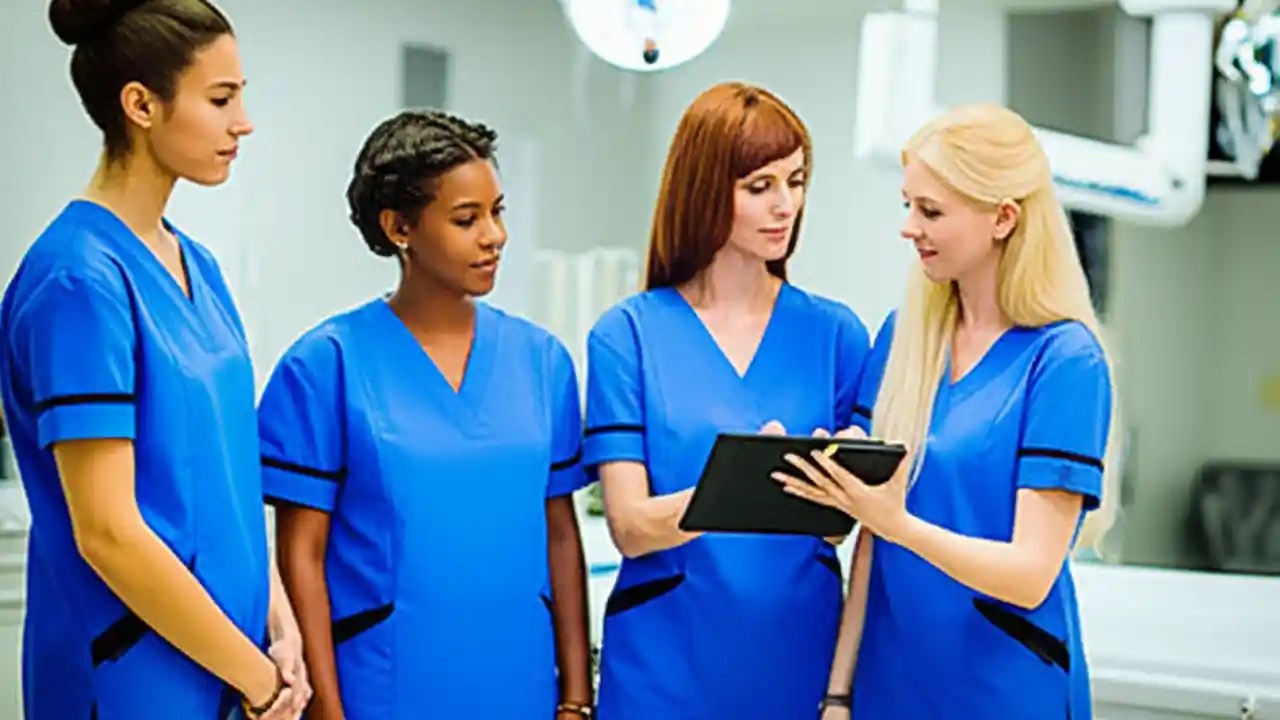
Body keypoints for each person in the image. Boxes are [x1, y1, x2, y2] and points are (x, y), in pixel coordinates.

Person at [0, 2, 310, 719]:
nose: (245, 122)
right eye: (221, 98)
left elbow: (230, 474)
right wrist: (260, 682)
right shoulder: (77, 281)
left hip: (230, 664)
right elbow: (108, 533)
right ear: (140, 104)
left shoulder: (193, 263)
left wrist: (279, 625)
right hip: (135, 670)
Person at [775, 102, 1119, 720]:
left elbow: (1030, 574)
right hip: (893, 683)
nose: (909, 227)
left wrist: (896, 520)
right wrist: (838, 693)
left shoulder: (1064, 361)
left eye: (930, 211)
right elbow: (868, 542)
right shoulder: (904, 339)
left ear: (1003, 218)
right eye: (908, 205)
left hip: (1004, 688)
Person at [258, 109, 594, 720]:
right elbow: (301, 559)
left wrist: (575, 697)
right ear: (398, 228)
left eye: (498, 212)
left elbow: (560, 533)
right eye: (467, 219)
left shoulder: (542, 362)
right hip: (384, 688)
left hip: (519, 684)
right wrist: (326, 713)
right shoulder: (326, 366)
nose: (494, 235)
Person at [583, 81, 872, 719]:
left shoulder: (837, 335)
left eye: (796, 182)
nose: (785, 206)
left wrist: (841, 484)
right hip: (665, 663)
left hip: (798, 656)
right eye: (759, 186)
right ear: (708, 190)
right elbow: (631, 528)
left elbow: (839, 526)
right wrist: (742, 483)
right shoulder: (628, 335)